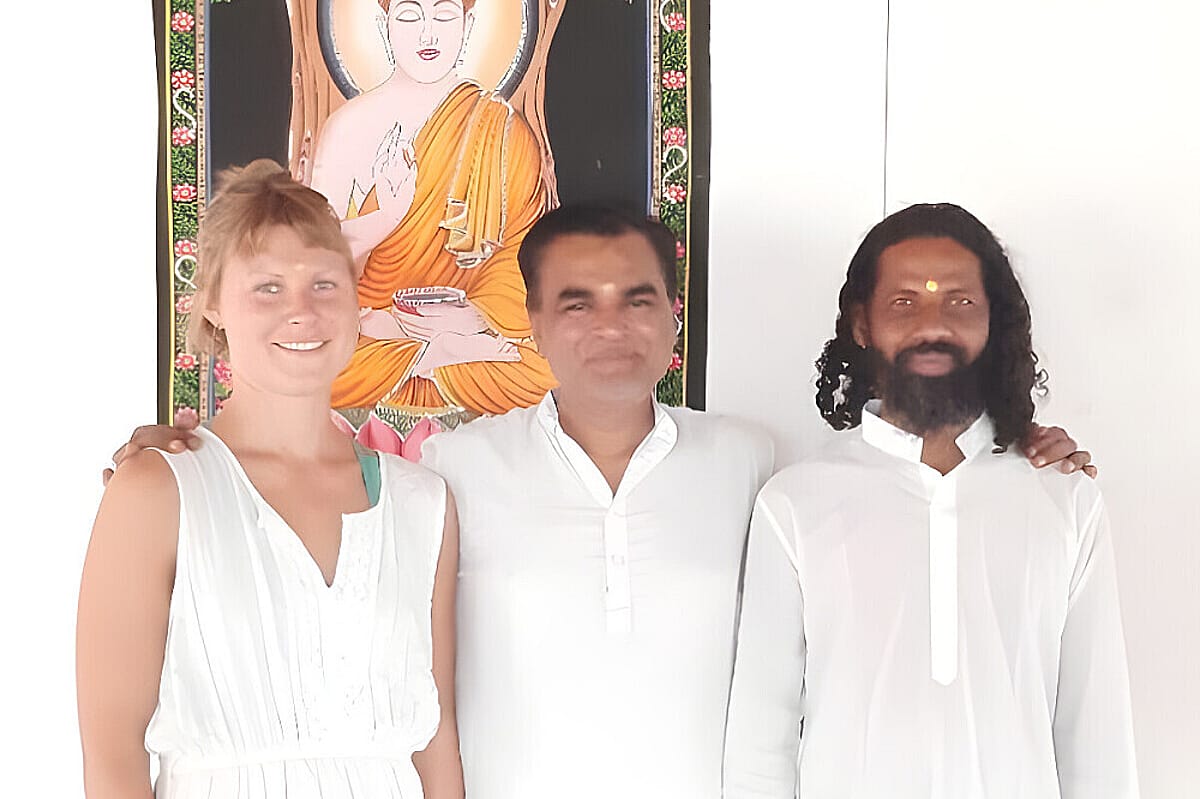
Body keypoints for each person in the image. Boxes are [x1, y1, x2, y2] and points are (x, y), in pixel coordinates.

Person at [107, 204, 1092, 799]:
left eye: (638, 298)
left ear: (673, 314)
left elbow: (882, 487)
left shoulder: (761, 462)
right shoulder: (449, 466)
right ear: (532, 321)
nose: (610, 326)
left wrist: (1018, 448)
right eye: (576, 301)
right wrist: (171, 444)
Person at [722, 203, 1138, 798]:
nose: (932, 324)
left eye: (959, 301)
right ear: (862, 324)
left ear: (993, 322)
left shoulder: (1063, 498)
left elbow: (1096, 731)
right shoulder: (795, 503)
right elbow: (763, 740)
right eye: (904, 302)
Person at [77, 161, 464, 799]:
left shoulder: (425, 503)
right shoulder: (157, 491)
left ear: (356, 297)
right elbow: (112, 755)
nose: (301, 312)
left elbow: (434, 738)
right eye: (267, 288)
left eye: (322, 283)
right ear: (212, 305)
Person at [308, 0, 557, 418]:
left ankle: (432, 353)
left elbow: (524, 256)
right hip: (370, 328)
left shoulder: (503, 130)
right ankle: (432, 355)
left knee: (552, 375)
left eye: (443, 16)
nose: (428, 35)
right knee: (315, 371)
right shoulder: (348, 128)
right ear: (382, 23)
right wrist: (386, 218)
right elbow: (315, 268)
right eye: (408, 16)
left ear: (469, 23)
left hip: (470, 326)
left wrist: (475, 316)